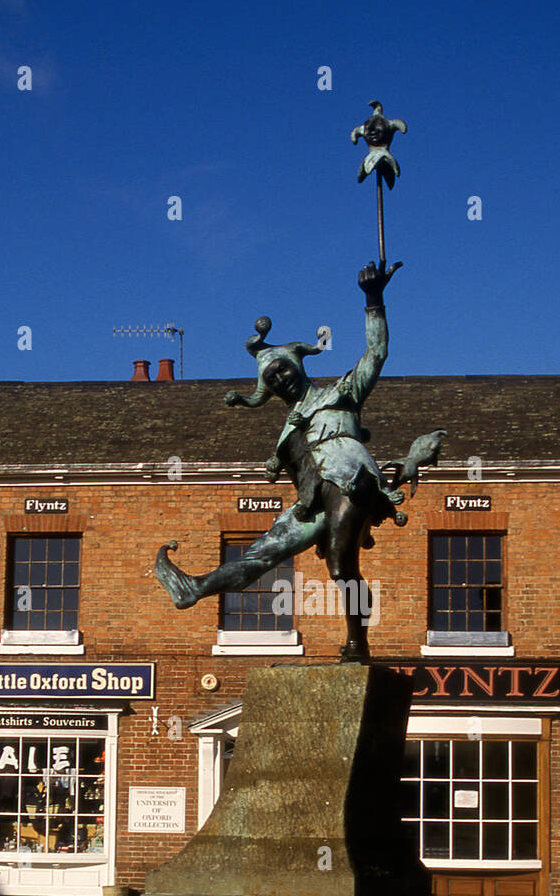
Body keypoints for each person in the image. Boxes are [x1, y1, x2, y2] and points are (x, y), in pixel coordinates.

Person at [156, 259, 406, 661]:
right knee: (260, 555)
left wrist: (373, 299)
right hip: (313, 500)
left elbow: (377, 352)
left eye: (283, 370)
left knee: (343, 571)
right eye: (271, 378)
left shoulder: (341, 394)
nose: (280, 379)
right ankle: (194, 588)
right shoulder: (288, 434)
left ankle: (358, 644)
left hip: (350, 483)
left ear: (299, 366)